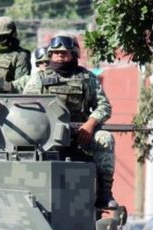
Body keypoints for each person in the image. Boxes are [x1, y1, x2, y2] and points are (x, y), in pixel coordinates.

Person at [23, 34, 115, 207]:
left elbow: (105, 106)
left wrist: (90, 124)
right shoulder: (39, 78)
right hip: (46, 137)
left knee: (105, 138)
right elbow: (27, 107)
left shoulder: (87, 78)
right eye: (56, 53)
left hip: (80, 135)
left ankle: (105, 193)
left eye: (64, 53)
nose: (60, 56)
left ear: (74, 54)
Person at [0, 16, 31, 83]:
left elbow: (20, 85)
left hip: (6, 93)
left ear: (12, 35)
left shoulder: (20, 56)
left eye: (2, 37)